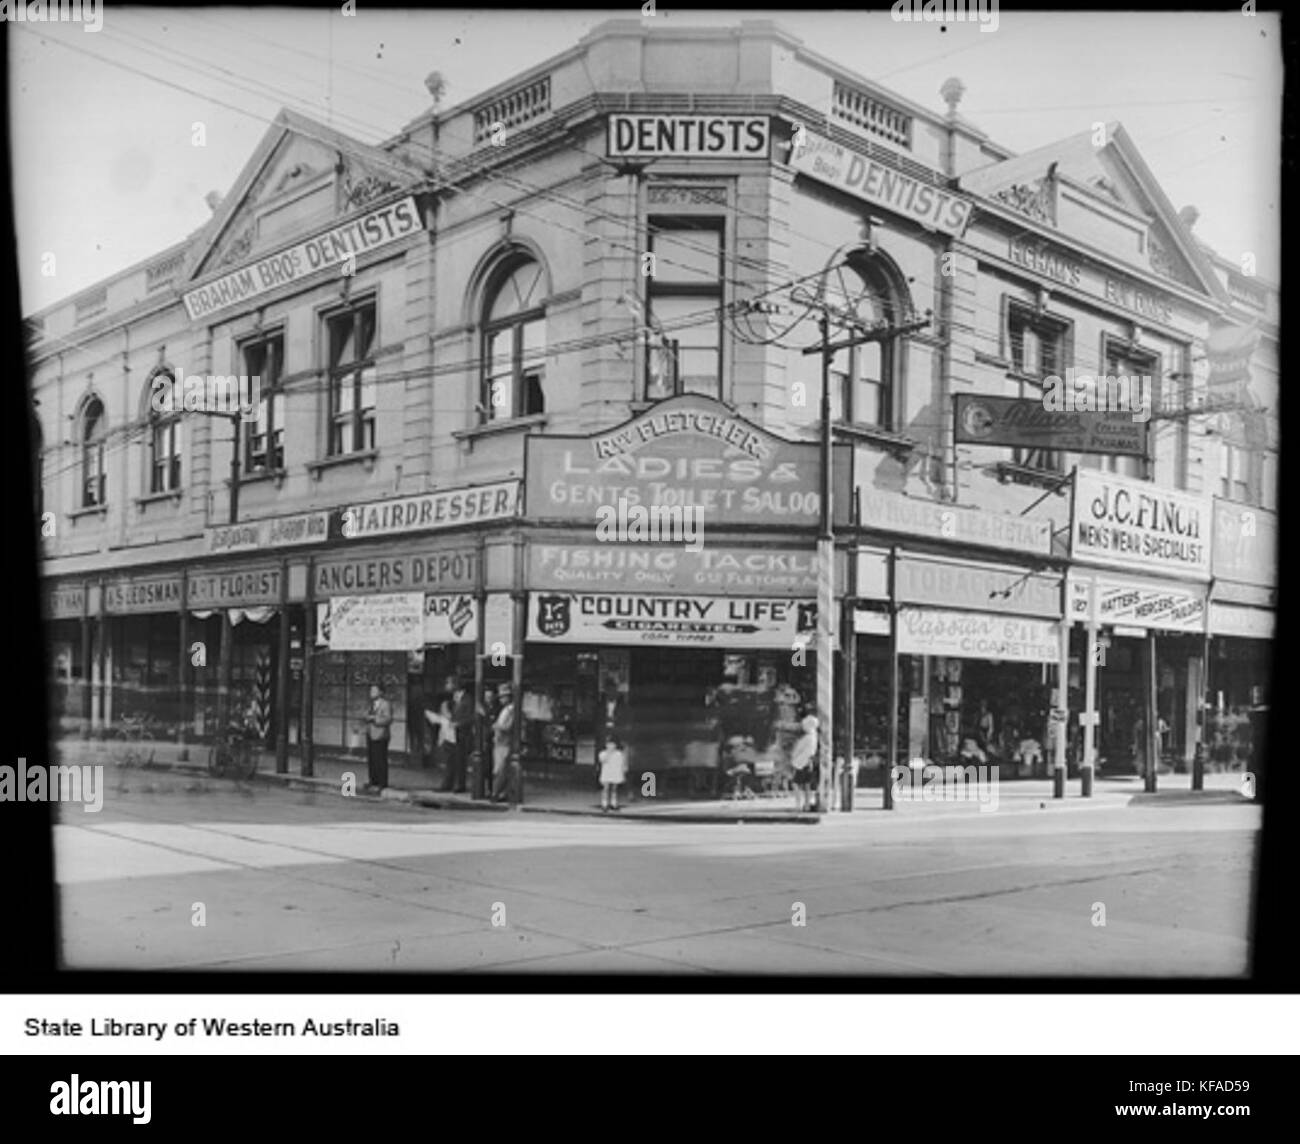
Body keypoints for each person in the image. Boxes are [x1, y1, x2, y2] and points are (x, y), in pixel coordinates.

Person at [443, 676, 474, 793]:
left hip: (462, 734)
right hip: (450, 733)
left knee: (460, 760)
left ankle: (460, 785)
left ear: (456, 685)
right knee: (450, 759)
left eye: (449, 683)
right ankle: (448, 783)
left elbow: (471, 717)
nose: (446, 685)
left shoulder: (468, 699)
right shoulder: (451, 699)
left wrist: (459, 724)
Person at [364, 683, 393, 791]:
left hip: (381, 735)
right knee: (372, 758)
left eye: (374, 690)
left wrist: (374, 719)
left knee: (380, 759)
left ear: (381, 692)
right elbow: (366, 714)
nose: (371, 693)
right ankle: (373, 780)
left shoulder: (386, 704)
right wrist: (366, 717)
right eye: (371, 690)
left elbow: (388, 719)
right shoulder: (371, 704)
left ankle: (382, 782)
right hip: (370, 734)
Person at [490, 683, 516, 802]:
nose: (501, 699)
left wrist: (497, 726)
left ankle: (496, 793)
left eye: (503, 697)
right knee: (499, 769)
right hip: (500, 741)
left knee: (500, 770)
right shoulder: (505, 709)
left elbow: (508, 726)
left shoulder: (511, 710)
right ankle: (501, 793)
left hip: (504, 742)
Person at [789, 714, 818, 811]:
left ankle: (798, 804)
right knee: (807, 785)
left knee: (795, 783)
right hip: (808, 763)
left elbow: (797, 750)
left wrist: (794, 758)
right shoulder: (814, 737)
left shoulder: (807, 738)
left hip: (801, 764)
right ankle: (807, 805)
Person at [598, 735, 627, 812]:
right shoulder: (603, 753)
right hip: (606, 774)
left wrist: (622, 774)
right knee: (605, 789)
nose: (611, 746)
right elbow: (603, 760)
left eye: (612, 744)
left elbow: (622, 765)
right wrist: (608, 753)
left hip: (615, 774)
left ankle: (613, 803)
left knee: (614, 789)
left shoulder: (619, 754)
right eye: (609, 744)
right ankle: (604, 804)